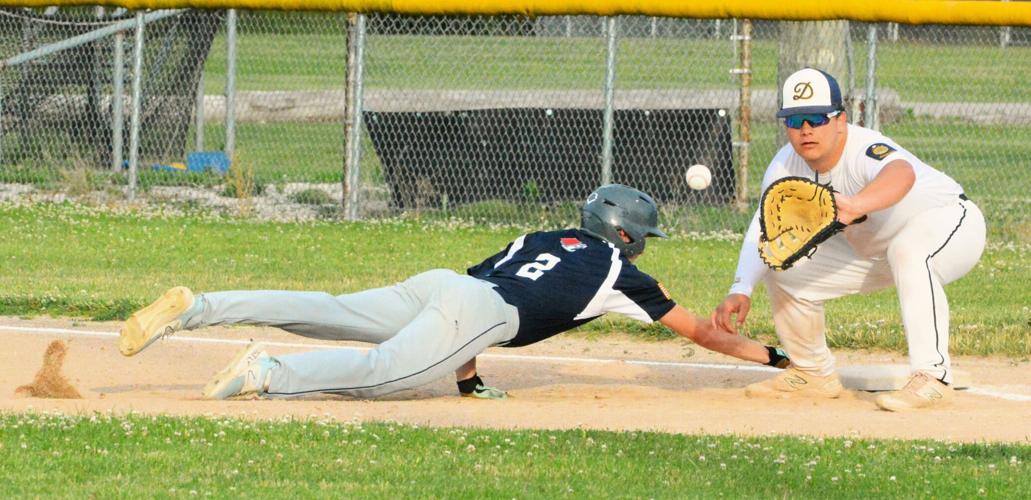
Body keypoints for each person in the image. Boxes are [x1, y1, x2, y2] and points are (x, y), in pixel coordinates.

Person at [120, 184, 791, 400]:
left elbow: (467, 294)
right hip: (480, 310)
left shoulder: (540, 236)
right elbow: (703, 334)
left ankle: (200, 306)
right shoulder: (622, 273)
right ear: (623, 236)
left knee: (324, 309)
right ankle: (266, 374)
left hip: (441, 286)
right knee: (384, 376)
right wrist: (774, 358)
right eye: (639, 238)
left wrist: (468, 384)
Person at [712, 68, 986, 411]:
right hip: (874, 250)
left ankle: (933, 377)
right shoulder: (785, 164)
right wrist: (741, 286)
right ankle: (812, 374)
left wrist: (857, 204)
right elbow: (765, 228)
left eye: (816, 118)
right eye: (795, 121)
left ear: (840, 119)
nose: (806, 129)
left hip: (952, 224)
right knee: (783, 265)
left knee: (909, 251)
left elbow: (902, 173)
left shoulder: (863, 147)